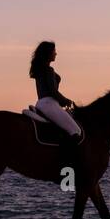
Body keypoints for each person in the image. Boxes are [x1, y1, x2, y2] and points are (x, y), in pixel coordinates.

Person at [29, 41, 84, 175]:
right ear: (48, 53)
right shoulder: (48, 70)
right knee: (75, 131)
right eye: (54, 51)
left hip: (42, 103)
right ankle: (66, 166)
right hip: (50, 103)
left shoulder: (40, 68)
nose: (56, 53)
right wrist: (67, 101)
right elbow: (53, 92)